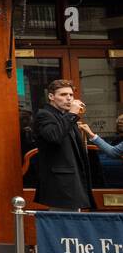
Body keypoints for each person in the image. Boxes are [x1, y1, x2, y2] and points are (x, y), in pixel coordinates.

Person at [33, 79, 95, 211]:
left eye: (71, 95)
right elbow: (54, 136)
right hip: (60, 185)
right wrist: (72, 114)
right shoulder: (44, 115)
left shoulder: (66, 116)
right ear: (51, 97)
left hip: (73, 181)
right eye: (63, 95)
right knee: (62, 225)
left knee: (73, 225)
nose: (69, 99)